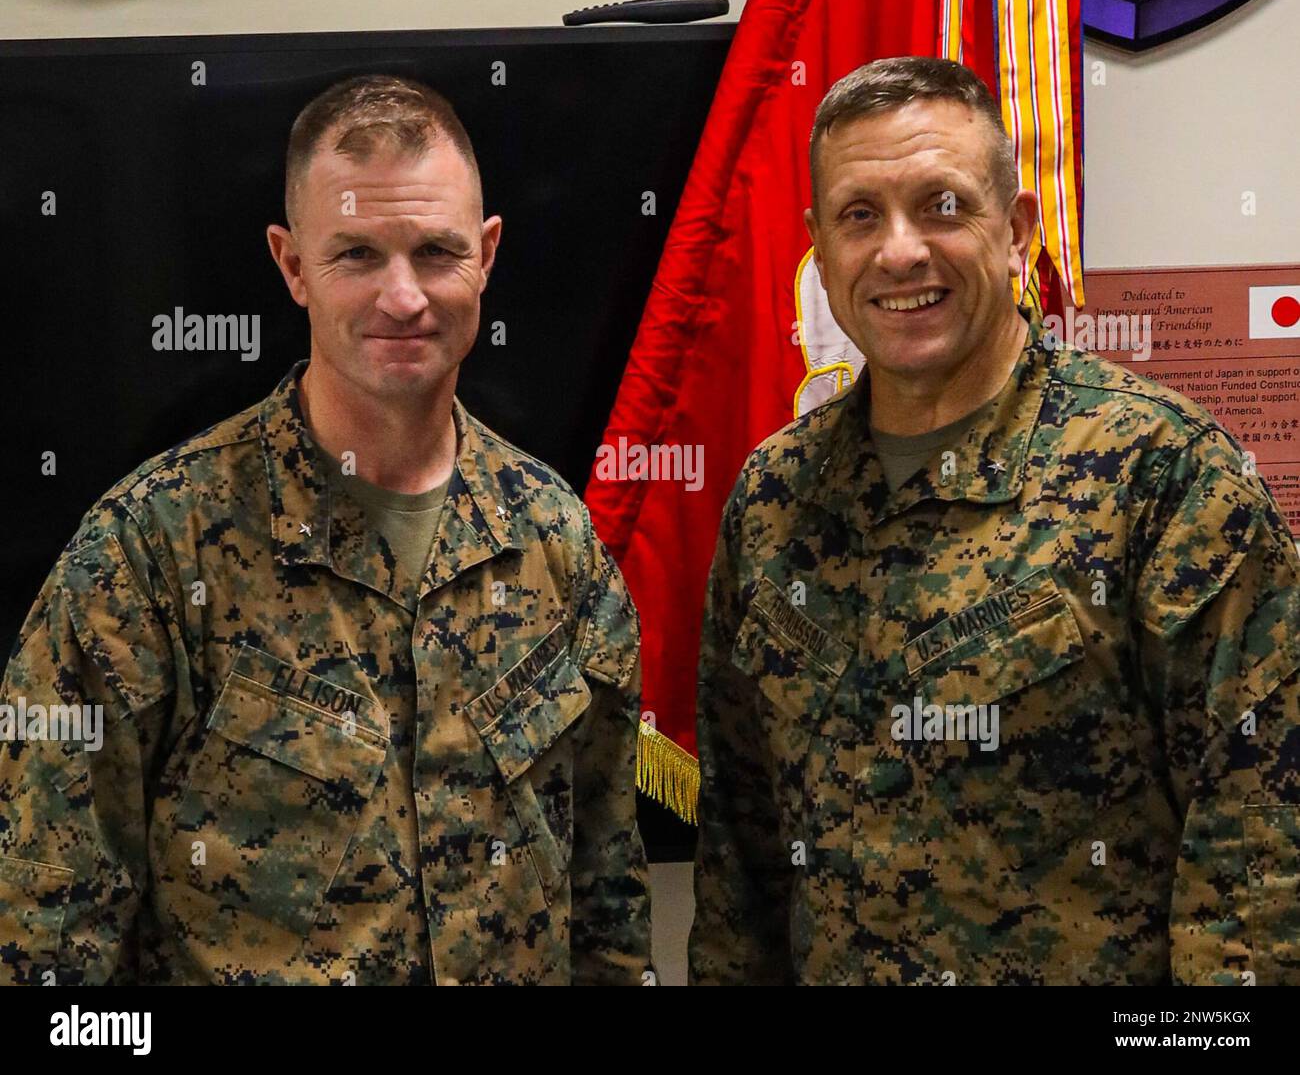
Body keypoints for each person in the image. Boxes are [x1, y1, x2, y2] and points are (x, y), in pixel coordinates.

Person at [0, 74, 651, 986]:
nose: (404, 296)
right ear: (292, 263)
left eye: (435, 251)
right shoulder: (149, 552)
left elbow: (607, 900)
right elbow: (46, 931)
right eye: (355, 255)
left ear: (487, 254)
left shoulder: (557, 542)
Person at [689, 56, 1300, 985]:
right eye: (861, 216)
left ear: (1015, 233)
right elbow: (743, 865)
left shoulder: (1163, 477)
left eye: (941, 205)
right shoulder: (776, 498)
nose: (900, 252)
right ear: (818, 245)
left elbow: (1259, 874)